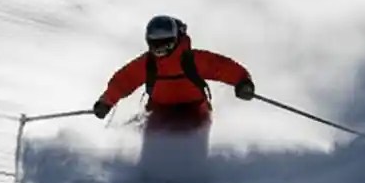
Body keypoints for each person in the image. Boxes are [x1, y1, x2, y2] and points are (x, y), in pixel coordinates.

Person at [92, 15, 255, 132]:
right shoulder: (148, 63)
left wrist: (243, 83)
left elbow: (223, 67)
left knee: (195, 130)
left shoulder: (191, 60)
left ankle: (197, 165)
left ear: (175, 40)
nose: (160, 50)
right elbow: (124, 80)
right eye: (155, 44)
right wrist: (106, 102)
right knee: (152, 130)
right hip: (160, 108)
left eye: (165, 44)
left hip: (195, 108)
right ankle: (149, 167)